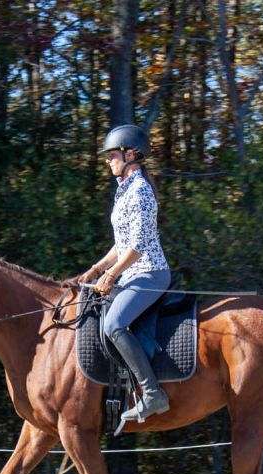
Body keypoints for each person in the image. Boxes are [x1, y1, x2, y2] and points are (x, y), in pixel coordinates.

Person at [71, 123, 171, 426]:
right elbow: (122, 244)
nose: (107, 160)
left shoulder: (140, 191)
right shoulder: (124, 191)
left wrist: (111, 275)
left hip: (150, 273)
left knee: (114, 323)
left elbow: (138, 247)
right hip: (131, 273)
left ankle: (153, 393)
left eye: (112, 154)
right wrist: (95, 269)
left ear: (131, 154)